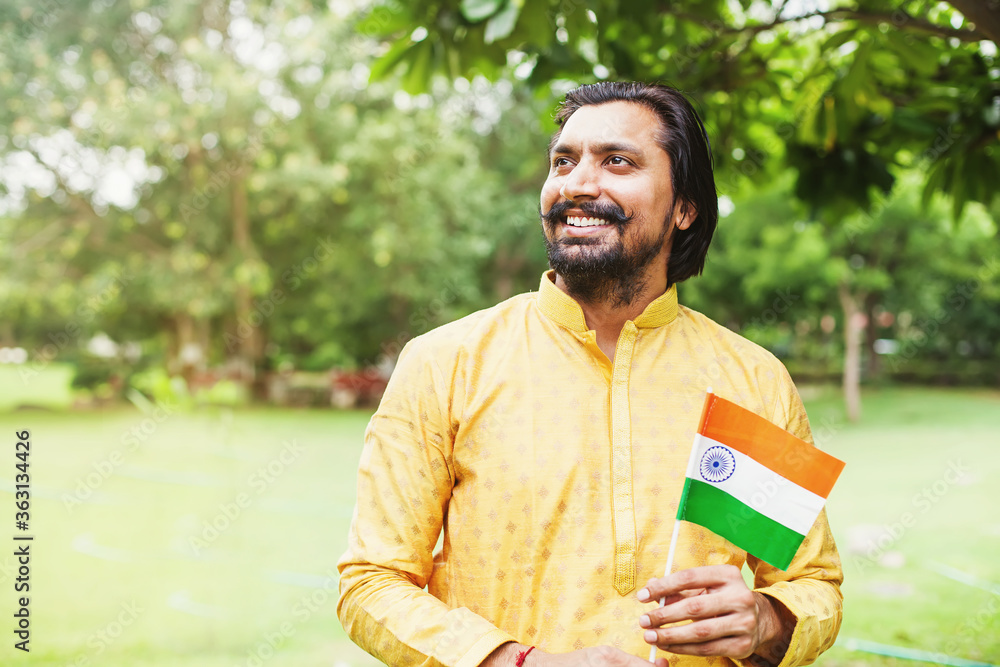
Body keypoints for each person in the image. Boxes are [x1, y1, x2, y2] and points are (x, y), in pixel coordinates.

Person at [337, 81, 843, 667]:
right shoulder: (444, 363)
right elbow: (371, 583)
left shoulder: (752, 378)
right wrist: (522, 663)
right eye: (563, 161)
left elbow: (813, 585)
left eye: (617, 161)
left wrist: (765, 621)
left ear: (684, 208)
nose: (576, 183)